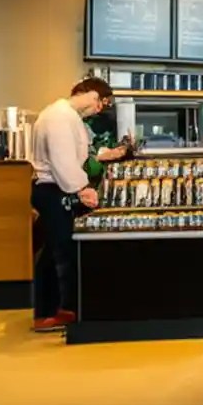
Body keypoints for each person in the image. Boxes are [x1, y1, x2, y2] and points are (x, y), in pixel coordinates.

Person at [29, 77, 116, 332]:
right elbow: (62, 161)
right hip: (53, 189)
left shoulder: (67, 116)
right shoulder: (58, 117)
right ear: (87, 92)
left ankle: (58, 308)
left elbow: (76, 155)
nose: (100, 108)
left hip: (56, 188)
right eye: (100, 101)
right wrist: (82, 189)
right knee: (57, 253)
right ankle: (46, 313)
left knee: (55, 250)